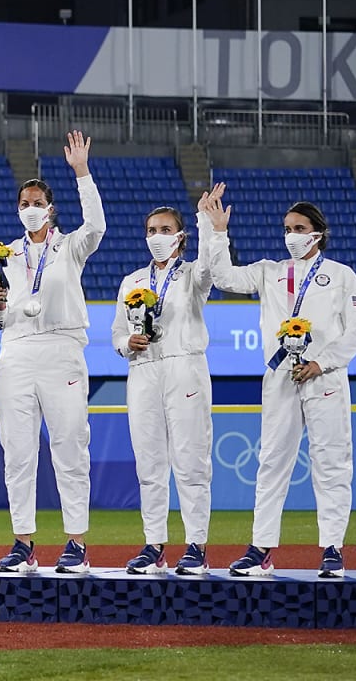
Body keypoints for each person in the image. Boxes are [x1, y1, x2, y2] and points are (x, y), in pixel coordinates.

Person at [200, 185, 356, 578]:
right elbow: (224, 277)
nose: (290, 234)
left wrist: (321, 362)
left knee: (332, 463)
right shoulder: (268, 271)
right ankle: (261, 549)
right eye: (286, 227)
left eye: (299, 227)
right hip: (280, 377)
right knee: (272, 462)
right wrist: (216, 230)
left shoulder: (342, 276)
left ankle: (332, 550)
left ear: (317, 233)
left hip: (324, 378)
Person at [0, 131, 105, 574]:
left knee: (70, 444)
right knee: (17, 449)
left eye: (37, 201)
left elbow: (97, 227)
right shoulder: (2, 255)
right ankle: (23, 542)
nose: (30, 208)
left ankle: (75, 542)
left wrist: (81, 173)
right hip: (16, 350)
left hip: (61, 347)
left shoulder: (70, 246)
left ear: (50, 207)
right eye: (24, 203)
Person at [110, 205, 216, 576]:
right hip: (142, 369)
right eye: (152, 229)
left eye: (165, 229)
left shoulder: (192, 276)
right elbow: (116, 334)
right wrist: (128, 343)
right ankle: (154, 545)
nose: (157, 236)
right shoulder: (132, 281)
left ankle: (196, 546)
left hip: (183, 365)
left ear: (180, 236)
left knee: (190, 461)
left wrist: (208, 223)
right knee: (149, 465)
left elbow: (209, 266)